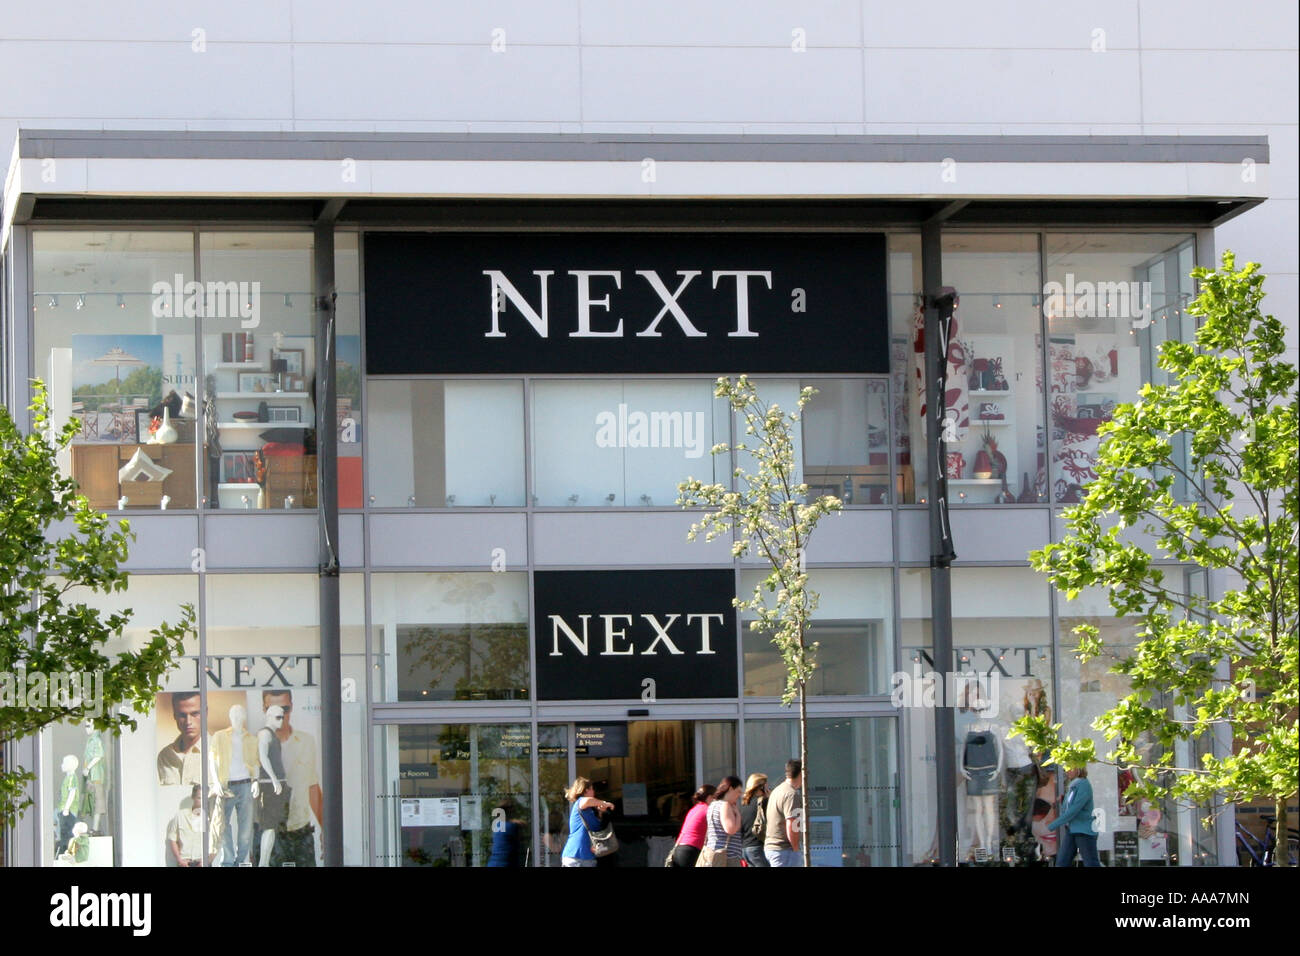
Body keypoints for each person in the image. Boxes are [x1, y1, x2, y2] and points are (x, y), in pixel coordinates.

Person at [263, 690, 322, 866]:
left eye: (285, 709)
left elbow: (312, 786)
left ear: (292, 708)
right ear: (264, 709)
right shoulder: (257, 743)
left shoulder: (307, 742)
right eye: (273, 709)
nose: (280, 715)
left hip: (301, 832)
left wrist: (326, 829)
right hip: (272, 831)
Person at [212, 703, 259, 866]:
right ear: (230, 717)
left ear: (244, 718)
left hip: (246, 784)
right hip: (226, 786)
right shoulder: (219, 736)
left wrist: (256, 781)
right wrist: (216, 782)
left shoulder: (251, 739)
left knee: (245, 826)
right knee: (222, 824)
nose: (237, 719)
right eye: (234, 716)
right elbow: (212, 759)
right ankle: (228, 860)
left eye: (240, 716)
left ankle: (242, 861)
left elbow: (256, 763)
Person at [1049, 765, 1099, 867]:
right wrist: (1063, 800)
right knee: (1062, 862)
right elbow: (1070, 806)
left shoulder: (1083, 784)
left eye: (1070, 768)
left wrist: (1052, 825)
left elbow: (1074, 810)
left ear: (1079, 769)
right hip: (1072, 829)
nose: (1067, 771)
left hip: (1084, 830)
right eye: (1066, 768)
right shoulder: (1074, 784)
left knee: (1091, 863)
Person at [561, 777, 614, 867]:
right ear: (585, 791)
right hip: (575, 856)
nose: (594, 792)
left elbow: (597, 829)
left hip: (589, 857)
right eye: (592, 789)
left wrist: (601, 812)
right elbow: (586, 801)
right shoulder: (580, 803)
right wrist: (604, 803)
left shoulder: (590, 811)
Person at [157, 692, 204, 785]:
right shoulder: (165, 756)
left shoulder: (218, 752)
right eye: (182, 715)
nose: (188, 722)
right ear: (175, 716)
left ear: (205, 713)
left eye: (194, 714)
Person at [765, 759, 804, 867]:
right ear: (801, 773)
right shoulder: (791, 794)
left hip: (774, 847)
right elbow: (792, 824)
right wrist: (796, 848)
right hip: (785, 849)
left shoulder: (777, 791)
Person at [699, 775, 744, 867]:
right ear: (731, 789)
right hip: (727, 856)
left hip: (713, 852)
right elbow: (730, 829)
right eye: (738, 791)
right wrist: (738, 816)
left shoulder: (712, 805)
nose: (740, 795)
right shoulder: (725, 805)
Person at [671, 784, 715, 867]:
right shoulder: (708, 810)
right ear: (710, 797)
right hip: (692, 850)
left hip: (680, 848)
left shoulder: (694, 809)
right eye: (715, 798)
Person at [167, 785, 212, 867]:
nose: (203, 801)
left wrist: (208, 860)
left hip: (203, 863)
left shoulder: (211, 819)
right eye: (199, 798)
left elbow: (216, 843)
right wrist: (179, 860)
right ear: (193, 797)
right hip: (184, 863)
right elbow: (172, 839)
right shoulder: (180, 816)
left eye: (206, 798)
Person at [739, 773, 770, 867]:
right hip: (757, 846)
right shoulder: (762, 802)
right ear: (762, 787)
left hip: (745, 848)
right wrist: (769, 798)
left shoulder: (744, 804)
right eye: (767, 785)